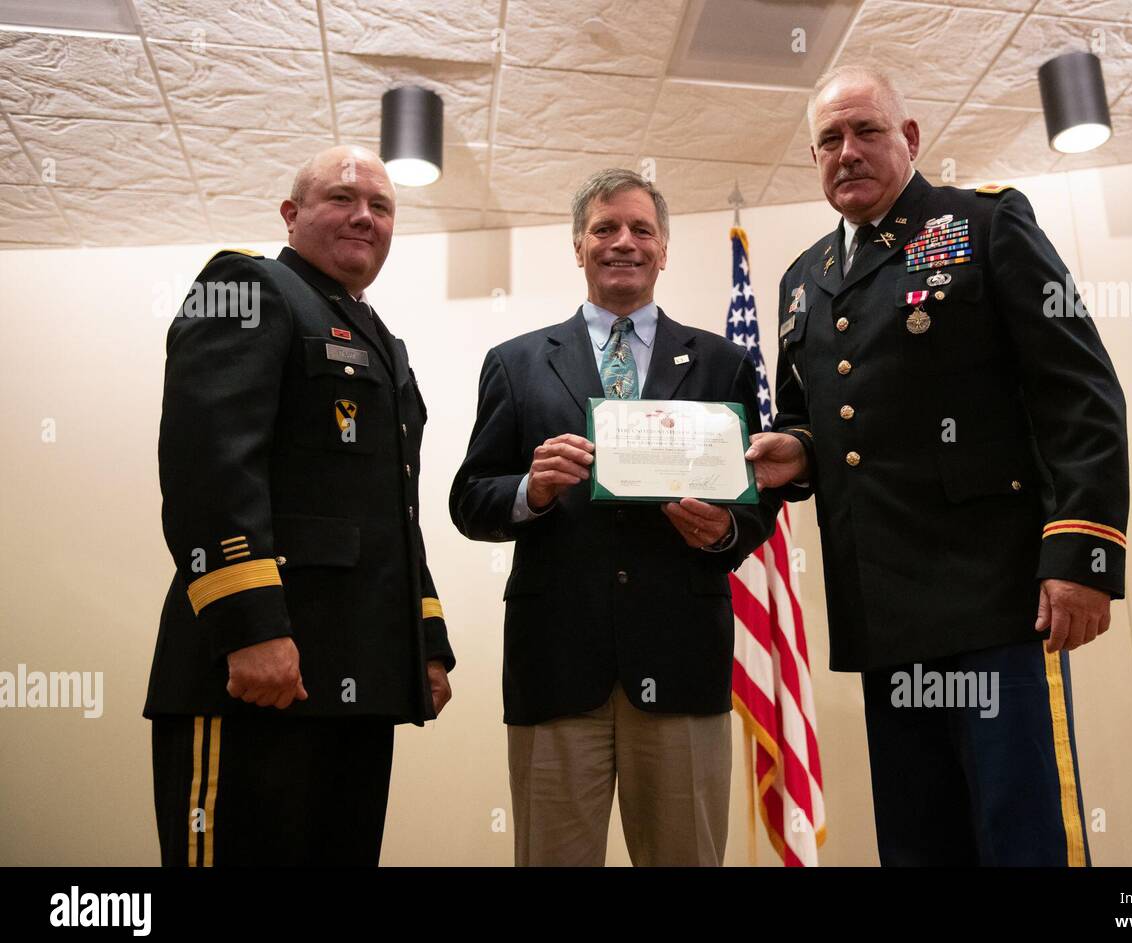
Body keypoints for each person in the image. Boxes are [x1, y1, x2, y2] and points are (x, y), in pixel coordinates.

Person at [746, 66, 1129, 866]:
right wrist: (800, 451)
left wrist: (1083, 553)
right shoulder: (802, 280)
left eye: (867, 131)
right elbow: (829, 422)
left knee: (1015, 830)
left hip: (993, 598)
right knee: (921, 840)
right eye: (828, 140)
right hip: (882, 606)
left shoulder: (984, 224)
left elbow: (1078, 390)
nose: (846, 152)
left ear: (910, 138)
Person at [449, 168, 777, 866]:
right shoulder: (515, 364)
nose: (623, 242)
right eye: (605, 228)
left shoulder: (723, 362)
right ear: (578, 246)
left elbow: (757, 503)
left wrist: (724, 531)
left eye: (641, 230)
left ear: (664, 250)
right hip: (555, 665)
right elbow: (470, 499)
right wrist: (530, 492)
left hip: (683, 659)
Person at [145, 145, 453, 866]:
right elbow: (210, 465)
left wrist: (426, 646)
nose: (365, 216)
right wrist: (248, 626)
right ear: (292, 214)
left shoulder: (380, 340)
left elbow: (390, 514)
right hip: (252, 673)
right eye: (343, 199)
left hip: (358, 680)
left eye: (381, 207)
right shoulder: (247, 285)